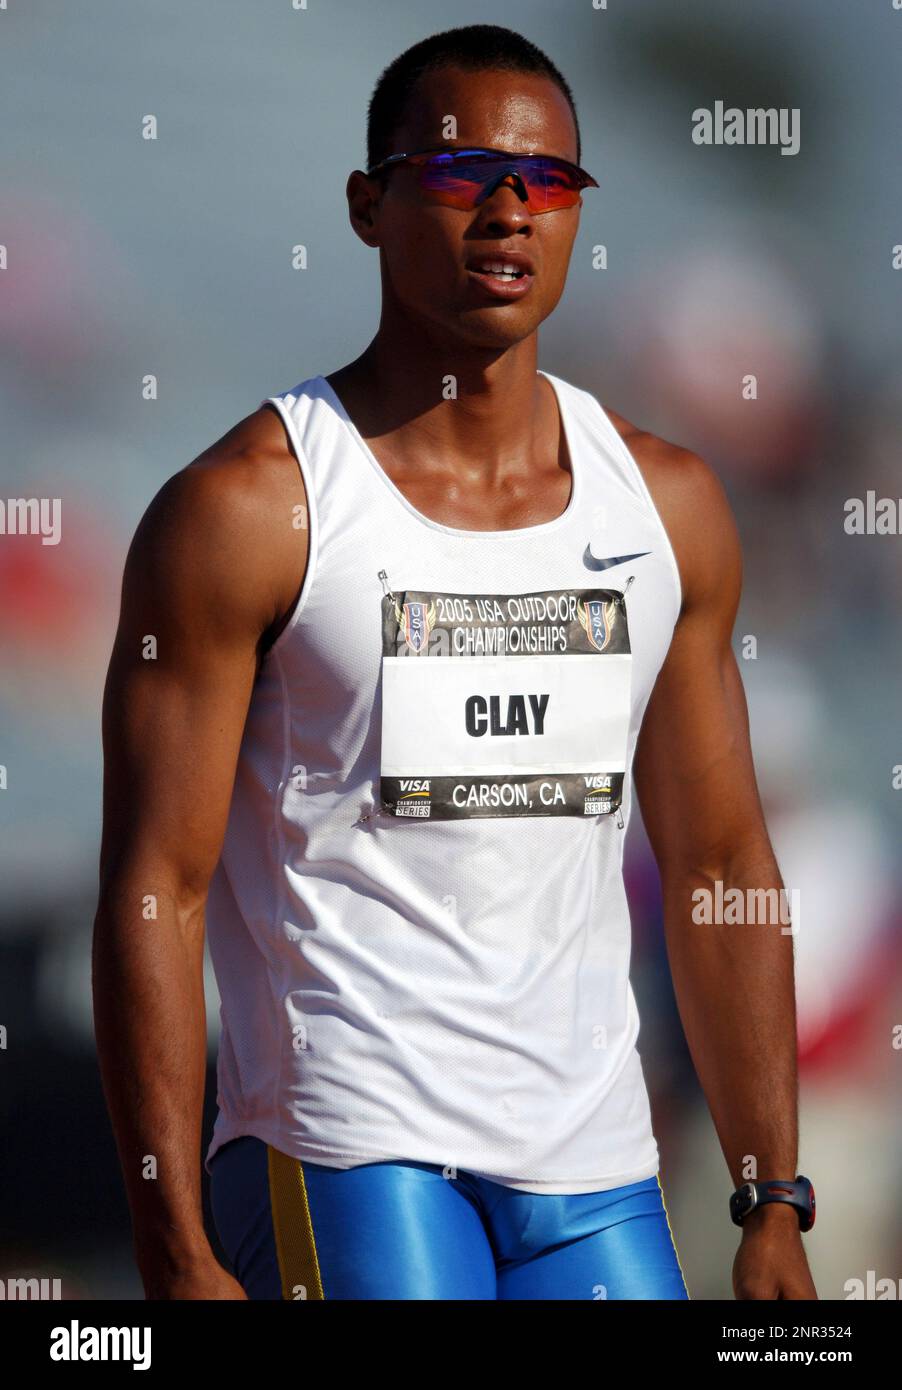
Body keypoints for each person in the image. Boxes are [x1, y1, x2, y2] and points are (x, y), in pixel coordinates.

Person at [93, 23, 817, 1300]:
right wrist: (171, 1240)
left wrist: (768, 1200)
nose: (505, 211)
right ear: (368, 207)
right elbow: (156, 884)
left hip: (592, 1164)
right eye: (457, 172)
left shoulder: (664, 507)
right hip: (350, 1146)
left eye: (544, 183)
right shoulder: (249, 509)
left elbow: (716, 868)